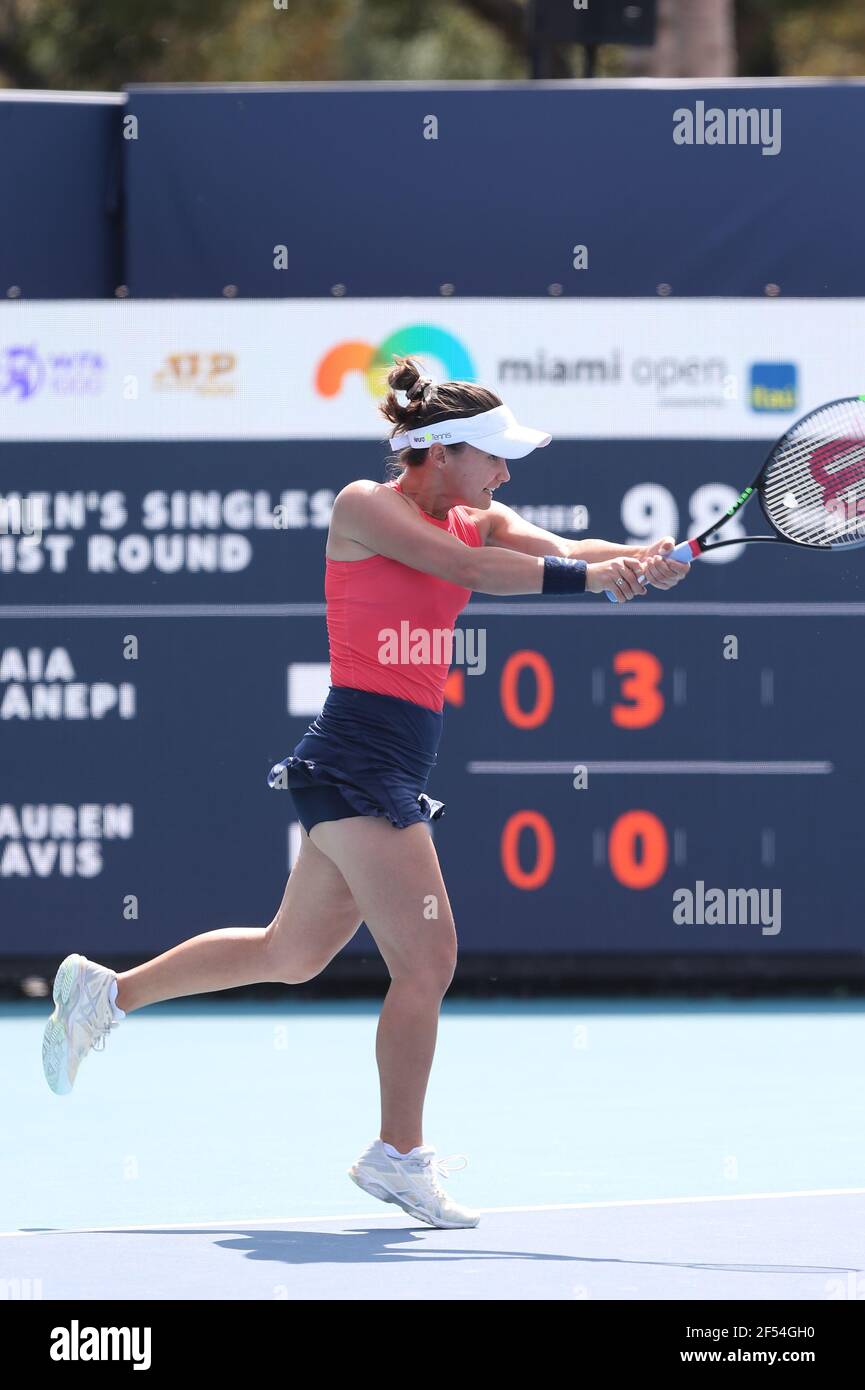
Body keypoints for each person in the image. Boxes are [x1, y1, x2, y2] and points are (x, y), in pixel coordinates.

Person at [41, 355, 689, 1229]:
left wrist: (644, 559)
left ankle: (105, 994)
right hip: (357, 759)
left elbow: (569, 549)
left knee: (290, 952)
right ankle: (396, 1156)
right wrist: (592, 579)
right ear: (440, 450)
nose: (503, 473)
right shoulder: (364, 507)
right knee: (428, 961)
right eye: (492, 456)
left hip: (387, 764)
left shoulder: (481, 513)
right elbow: (473, 574)